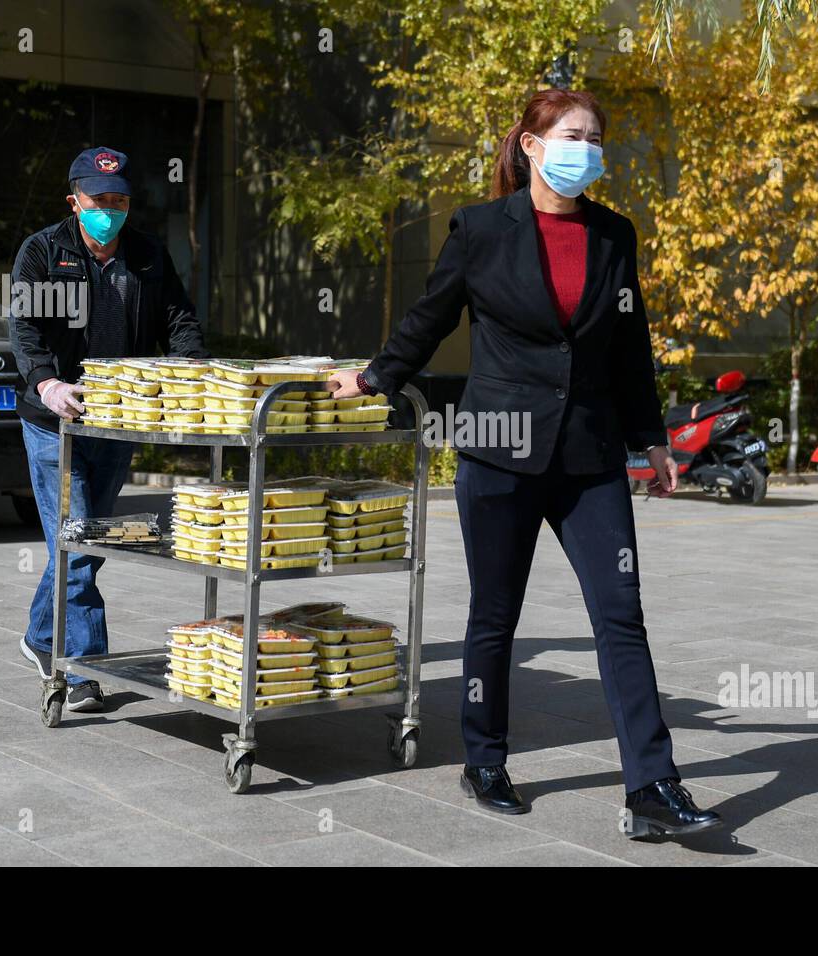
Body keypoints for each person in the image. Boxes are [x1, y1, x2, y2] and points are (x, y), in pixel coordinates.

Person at [328, 90, 723, 837]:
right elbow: (432, 314)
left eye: (597, 137)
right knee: (494, 615)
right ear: (533, 145)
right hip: (500, 449)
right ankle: (484, 757)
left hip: (591, 456)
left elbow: (629, 346)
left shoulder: (615, 235)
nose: (588, 148)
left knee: (621, 616)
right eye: (573, 134)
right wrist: (376, 375)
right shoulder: (480, 228)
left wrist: (652, 438)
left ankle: (651, 786)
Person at [9, 147, 209, 712]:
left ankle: (40, 638)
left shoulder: (146, 253)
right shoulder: (44, 251)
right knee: (74, 539)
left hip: (118, 421)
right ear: (74, 201)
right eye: (99, 200)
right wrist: (47, 383)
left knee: (87, 543)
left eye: (119, 200)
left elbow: (178, 317)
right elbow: (23, 327)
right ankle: (82, 669)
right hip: (56, 422)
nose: (110, 210)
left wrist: (192, 370)